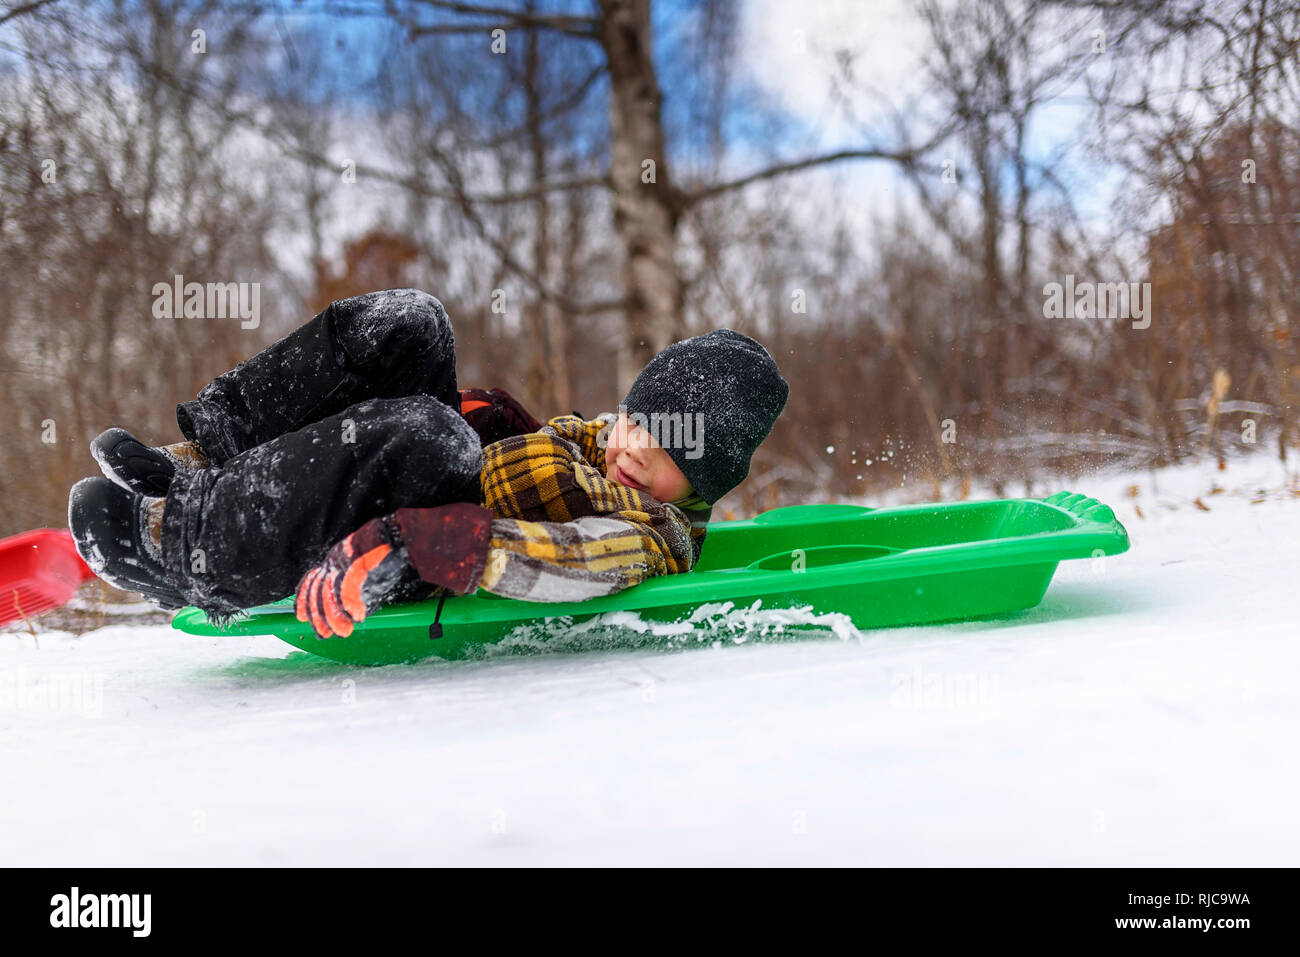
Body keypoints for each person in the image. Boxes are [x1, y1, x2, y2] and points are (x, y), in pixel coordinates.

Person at [68, 288, 789, 637]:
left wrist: (433, 545)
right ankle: (217, 457)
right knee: (413, 324)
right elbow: (527, 458)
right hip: (399, 488)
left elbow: (569, 554)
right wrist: (497, 424)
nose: (634, 446)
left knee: (430, 434)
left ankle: (194, 548)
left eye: (667, 449)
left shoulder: (650, 535)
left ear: (702, 484)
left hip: (401, 550)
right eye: (636, 420)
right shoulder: (578, 442)